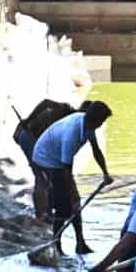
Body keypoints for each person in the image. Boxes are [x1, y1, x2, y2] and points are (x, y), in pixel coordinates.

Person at [31, 100, 113, 254]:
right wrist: (71, 195)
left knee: (75, 203)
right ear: (96, 120)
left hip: (57, 159)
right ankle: (56, 246)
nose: (102, 125)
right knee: (63, 205)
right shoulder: (72, 133)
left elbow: (96, 150)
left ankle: (80, 244)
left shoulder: (87, 124)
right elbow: (66, 171)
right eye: (102, 121)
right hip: (46, 159)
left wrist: (105, 173)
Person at [13, 99, 83, 218]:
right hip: (28, 135)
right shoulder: (64, 109)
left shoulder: (74, 128)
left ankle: (50, 208)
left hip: (39, 140)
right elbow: (45, 102)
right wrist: (28, 120)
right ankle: (42, 214)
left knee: (52, 175)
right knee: (41, 177)